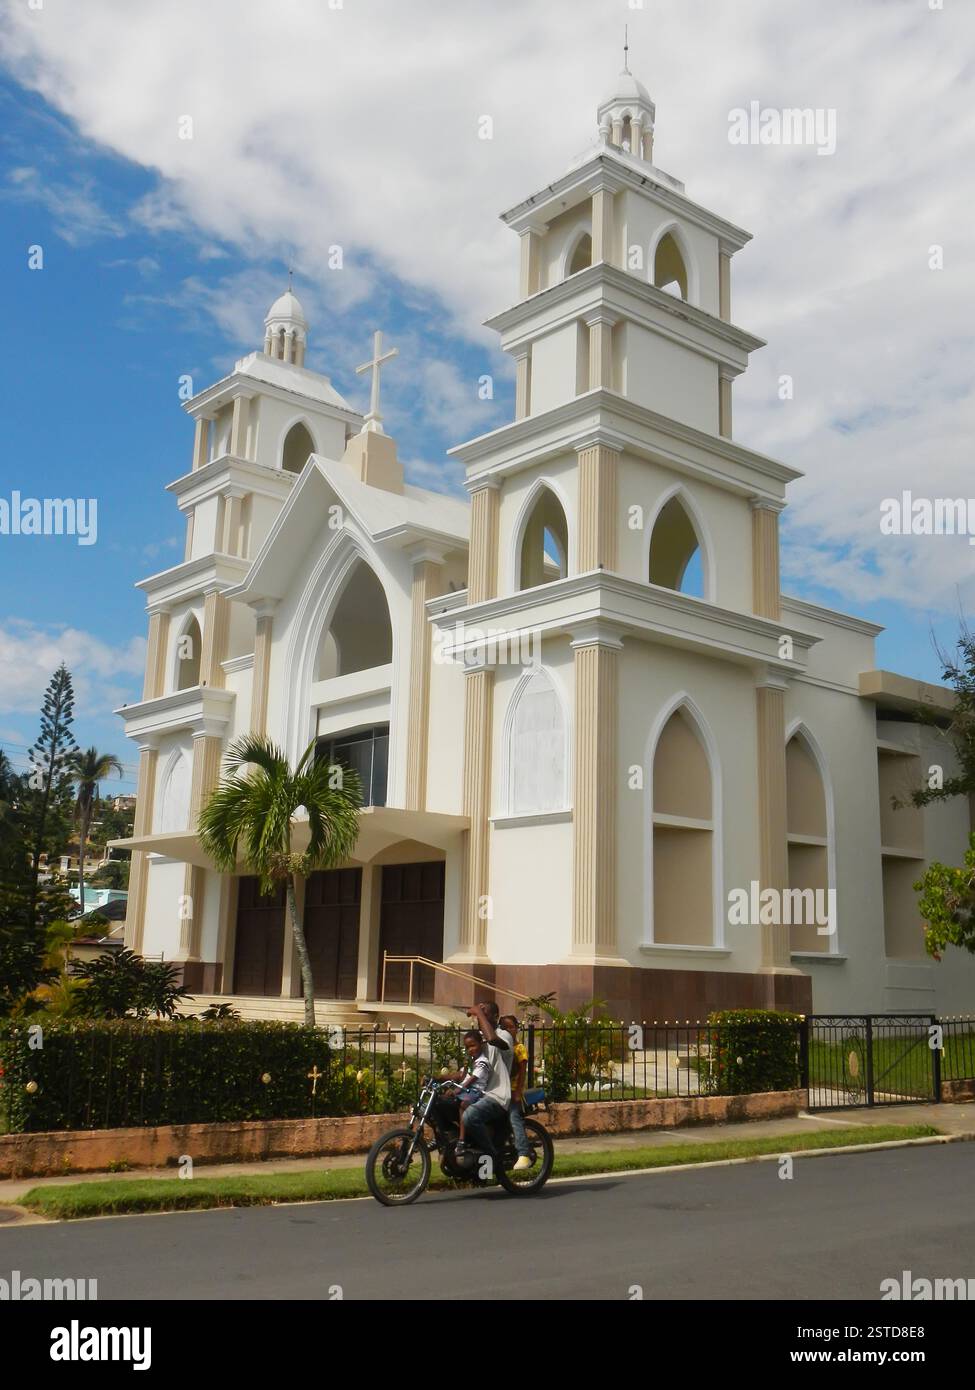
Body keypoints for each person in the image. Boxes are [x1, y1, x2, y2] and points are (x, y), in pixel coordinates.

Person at [455, 1001, 510, 1163]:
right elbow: (465, 1072)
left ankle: (491, 1155)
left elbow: (492, 1038)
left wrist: (477, 1012)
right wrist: (438, 1079)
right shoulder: (478, 1042)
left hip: (497, 1095)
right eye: (479, 1011)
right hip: (481, 1094)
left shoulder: (502, 1034)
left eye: (484, 1012)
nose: (480, 1014)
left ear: (495, 1017)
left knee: (470, 1116)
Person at [441, 1030, 491, 1150]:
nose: (470, 1050)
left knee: (463, 1105)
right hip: (466, 1090)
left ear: (481, 1044)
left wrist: (459, 1089)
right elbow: (462, 1076)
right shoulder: (470, 1061)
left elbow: (472, 1079)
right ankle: (444, 1133)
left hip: (475, 1091)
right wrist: (442, 1080)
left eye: (473, 1045)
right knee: (442, 1100)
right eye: (468, 1047)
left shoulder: (482, 1062)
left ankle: (462, 1139)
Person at [500, 1013, 533, 1171]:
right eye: (505, 1027)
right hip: (501, 1091)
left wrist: (518, 1091)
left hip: (513, 1091)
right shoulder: (501, 1047)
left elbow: (522, 1071)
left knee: (514, 1118)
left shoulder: (519, 1049)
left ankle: (523, 1153)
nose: (509, 1030)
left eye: (512, 1027)